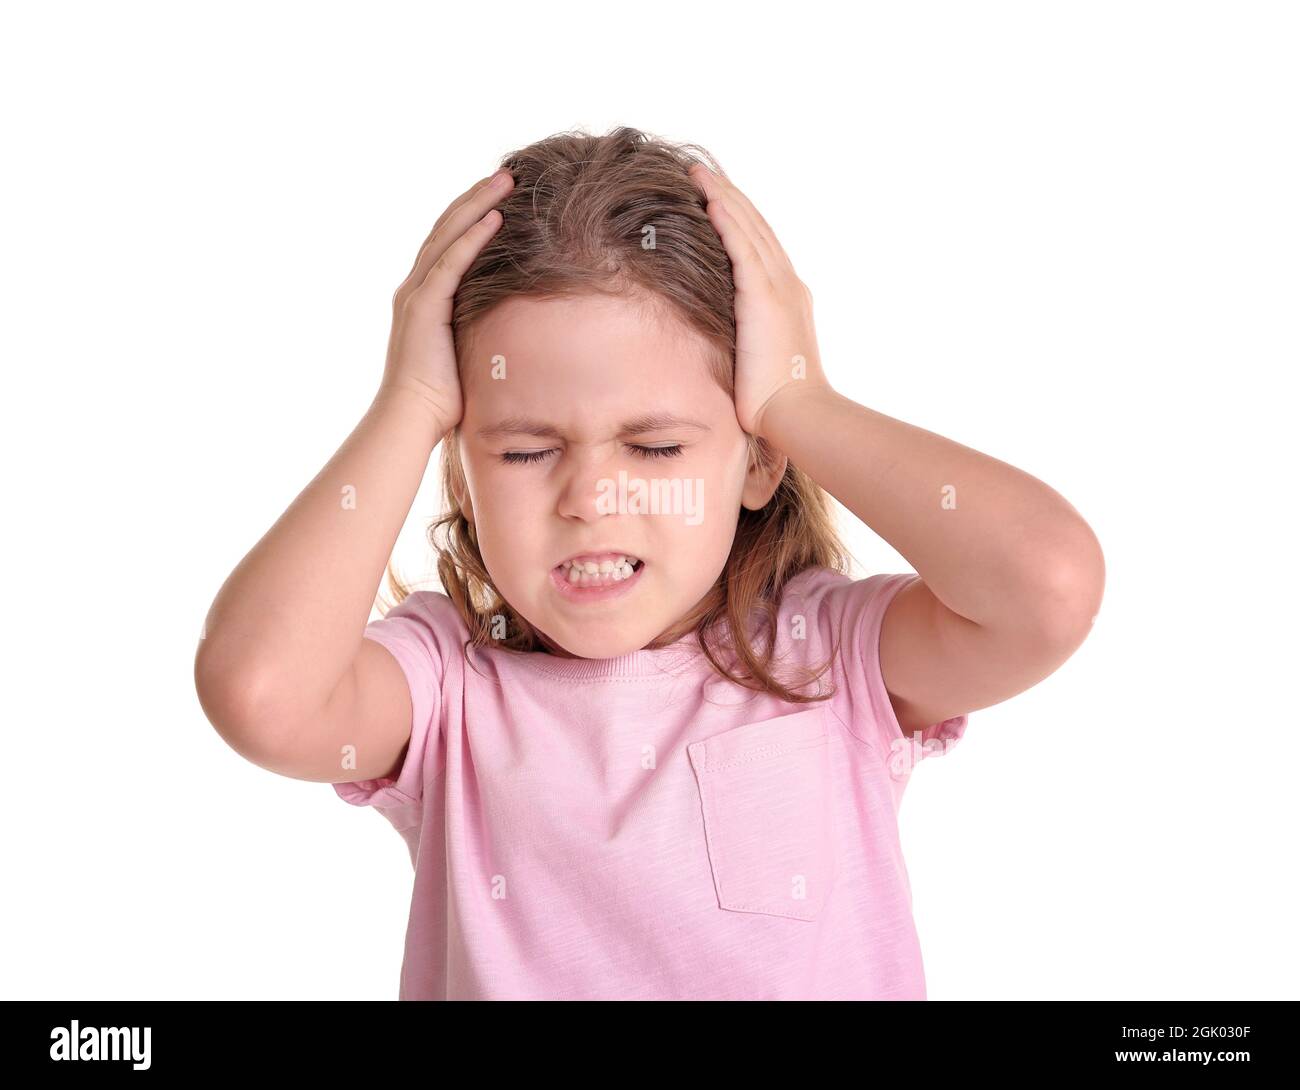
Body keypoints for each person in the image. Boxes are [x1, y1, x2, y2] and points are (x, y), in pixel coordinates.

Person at [194, 126, 1105, 1000]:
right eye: (523, 452)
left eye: (657, 449)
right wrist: (409, 401)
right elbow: (261, 694)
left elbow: (1047, 585)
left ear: (757, 458)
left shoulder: (831, 657)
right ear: (462, 476)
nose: (592, 497)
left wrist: (798, 398)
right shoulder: (447, 691)